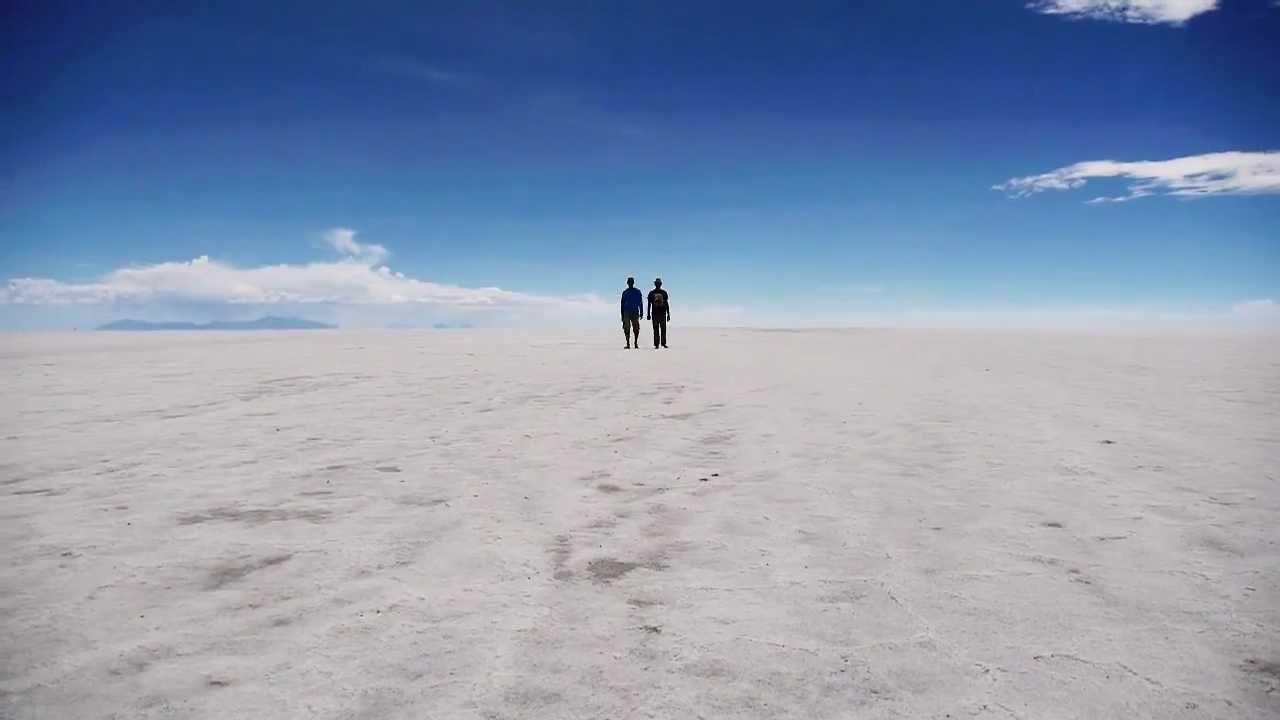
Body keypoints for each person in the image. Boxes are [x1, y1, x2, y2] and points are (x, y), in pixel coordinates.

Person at [646, 278, 670, 349]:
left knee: (660, 329)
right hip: (658, 314)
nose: (658, 284)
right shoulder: (663, 292)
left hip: (659, 314)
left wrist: (668, 314)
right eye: (657, 283)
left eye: (658, 283)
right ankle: (659, 344)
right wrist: (648, 314)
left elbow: (666, 303)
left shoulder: (652, 293)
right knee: (659, 329)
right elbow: (649, 304)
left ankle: (660, 344)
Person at [620, 277, 643, 349]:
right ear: (627, 283)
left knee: (636, 328)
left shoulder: (637, 292)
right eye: (629, 282)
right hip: (626, 312)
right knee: (626, 328)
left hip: (635, 312)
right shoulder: (625, 292)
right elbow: (622, 304)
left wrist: (641, 312)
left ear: (633, 283)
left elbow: (640, 303)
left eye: (631, 282)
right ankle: (628, 343)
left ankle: (635, 343)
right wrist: (622, 315)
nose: (630, 283)